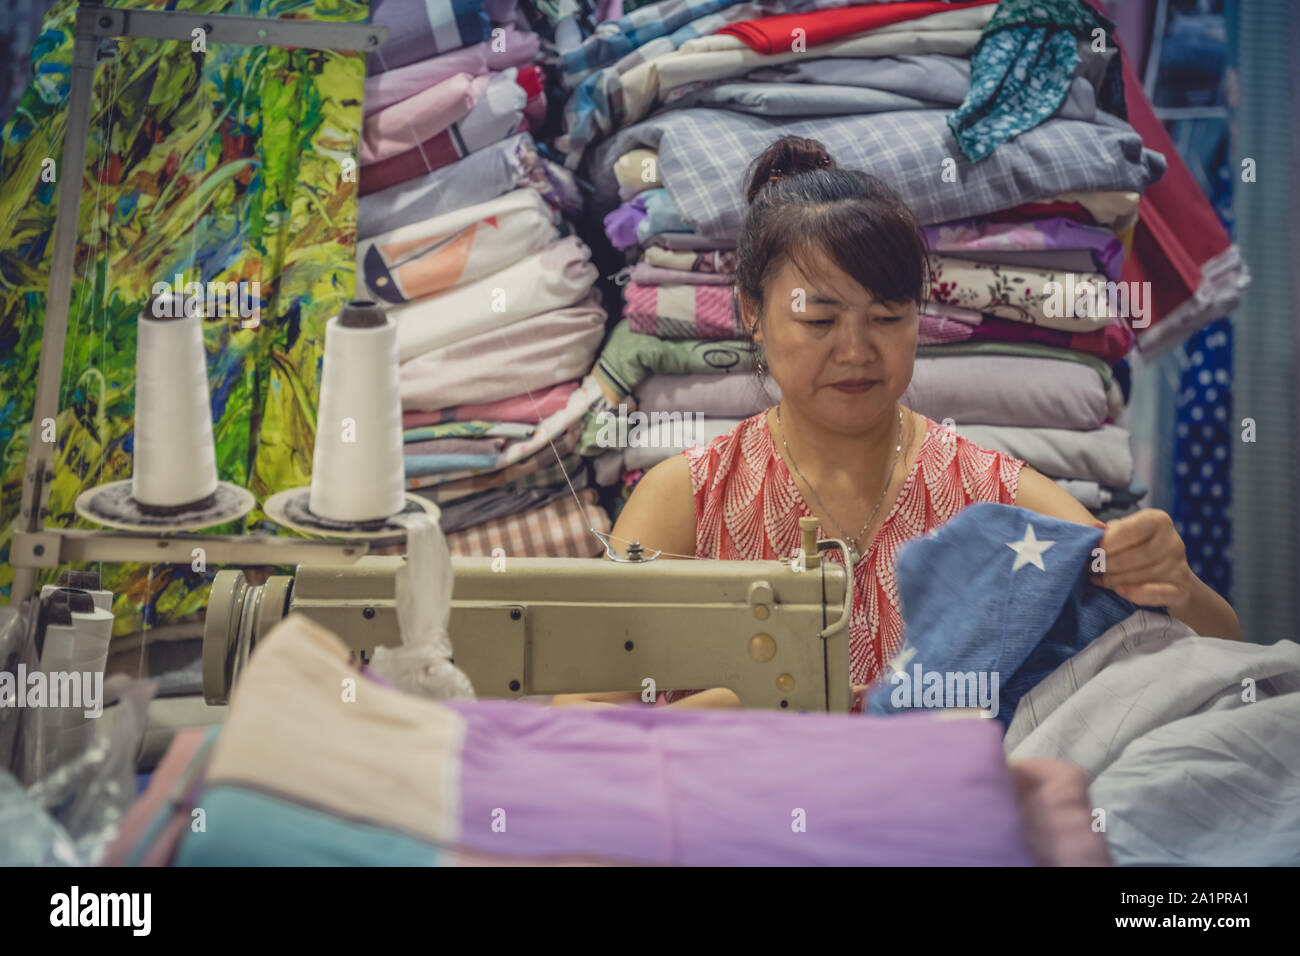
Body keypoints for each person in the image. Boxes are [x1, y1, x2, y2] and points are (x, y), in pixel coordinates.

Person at [553, 135, 1241, 711]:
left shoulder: (986, 493)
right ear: (753, 314)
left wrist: (1173, 581)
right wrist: (729, 712)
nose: (856, 351)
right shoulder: (687, 500)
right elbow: (579, 731)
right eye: (819, 320)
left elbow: (1218, 649)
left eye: (888, 317)